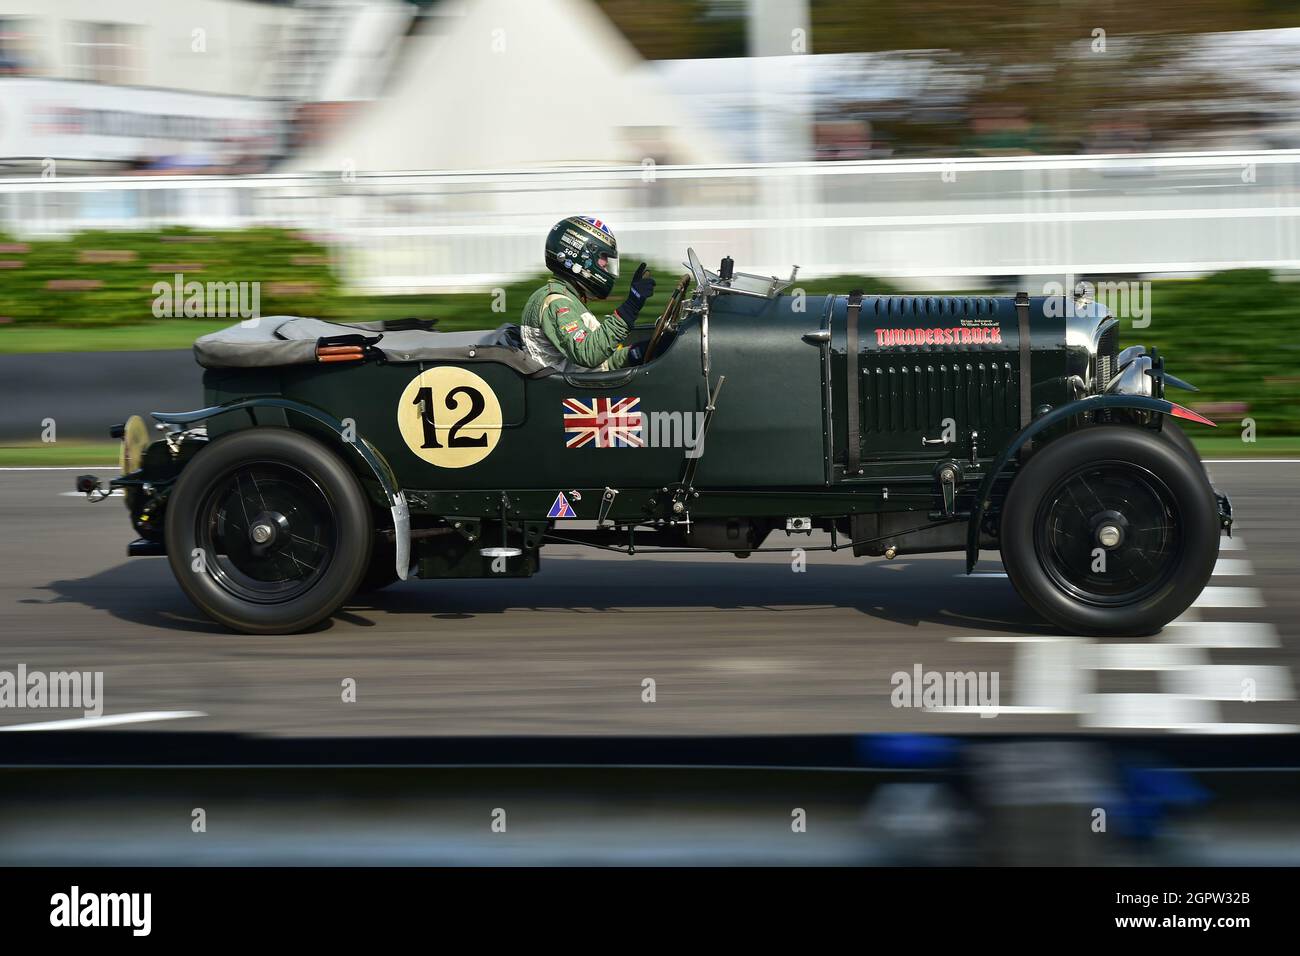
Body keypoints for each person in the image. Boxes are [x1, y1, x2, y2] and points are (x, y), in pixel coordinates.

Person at [520, 216, 655, 371]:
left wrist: (638, 352)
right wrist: (631, 306)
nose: (605, 265)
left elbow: (602, 363)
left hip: (582, 386)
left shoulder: (569, 299)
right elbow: (589, 354)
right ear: (581, 256)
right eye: (603, 257)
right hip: (565, 392)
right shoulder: (556, 302)